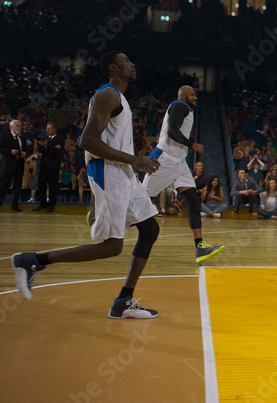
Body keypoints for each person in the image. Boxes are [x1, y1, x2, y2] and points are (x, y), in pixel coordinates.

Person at [11, 51, 163, 319]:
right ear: (114, 67)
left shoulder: (120, 98)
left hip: (124, 175)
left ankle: (124, 300)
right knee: (111, 247)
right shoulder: (108, 95)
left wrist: (133, 164)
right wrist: (136, 160)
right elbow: (87, 141)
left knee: (150, 229)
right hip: (109, 173)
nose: (133, 63)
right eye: (127, 60)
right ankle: (33, 261)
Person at [140, 86, 223, 263]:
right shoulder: (180, 105)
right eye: (192, 94)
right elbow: (172, 132)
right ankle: (105, 213)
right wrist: (193, 145)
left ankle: (200, 247)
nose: (195, 97)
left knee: (193, 200)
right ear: (182, 95)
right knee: (140, 196)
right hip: (166, 159)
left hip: (179, 162)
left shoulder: (186, 109)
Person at [0, 119, 31, 212]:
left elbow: (26, 151)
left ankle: (15, 206)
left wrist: (25, 154)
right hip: (8, 165)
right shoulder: (5, 136)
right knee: (3, 186)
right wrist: (10, 151)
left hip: (19, 165)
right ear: (11, 127)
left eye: (20, 126)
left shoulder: (22, 138)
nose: (19, 128)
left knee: (17, 187)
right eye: (17, 126)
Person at [32, 122, 63, 212]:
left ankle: (51, 205)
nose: (47, 130)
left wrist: (46, 145)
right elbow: (40, 149)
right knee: (41, 186)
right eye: (46, 128)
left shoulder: (60, 139)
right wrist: (51, 148)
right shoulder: (44, 138)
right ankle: (42, 204)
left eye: (49, 128)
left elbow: (58, 151)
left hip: (53, 166)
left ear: (54, 129)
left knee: (53, 187)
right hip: (44, 165)